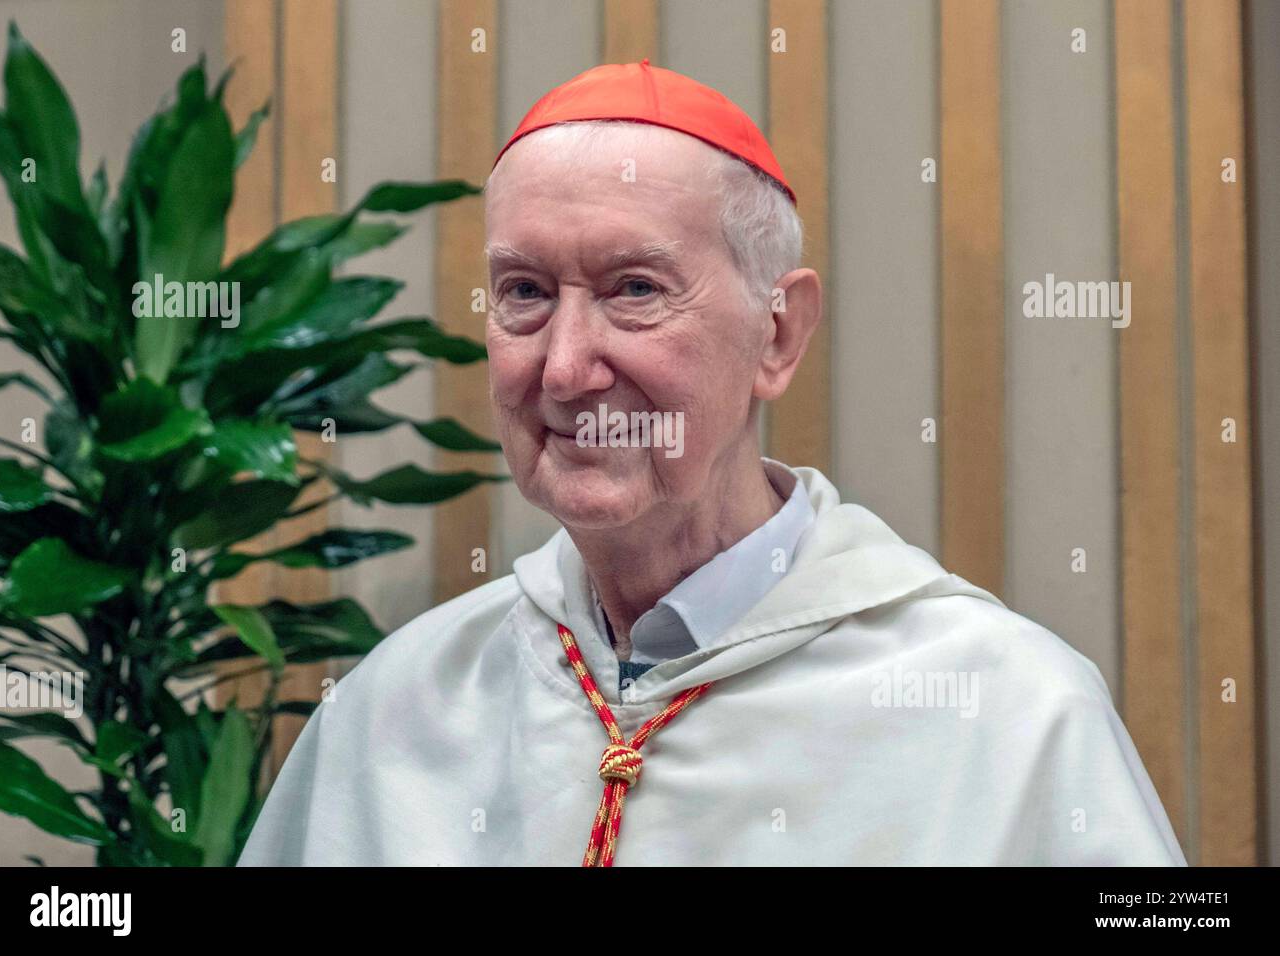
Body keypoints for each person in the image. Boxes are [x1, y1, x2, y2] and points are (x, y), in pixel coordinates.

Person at [237, 61, 1185, 866]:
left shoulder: (1009, 714)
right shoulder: (392, 709)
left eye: (635, 290)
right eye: (523, 291)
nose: (566, 367)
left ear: (779, 333)